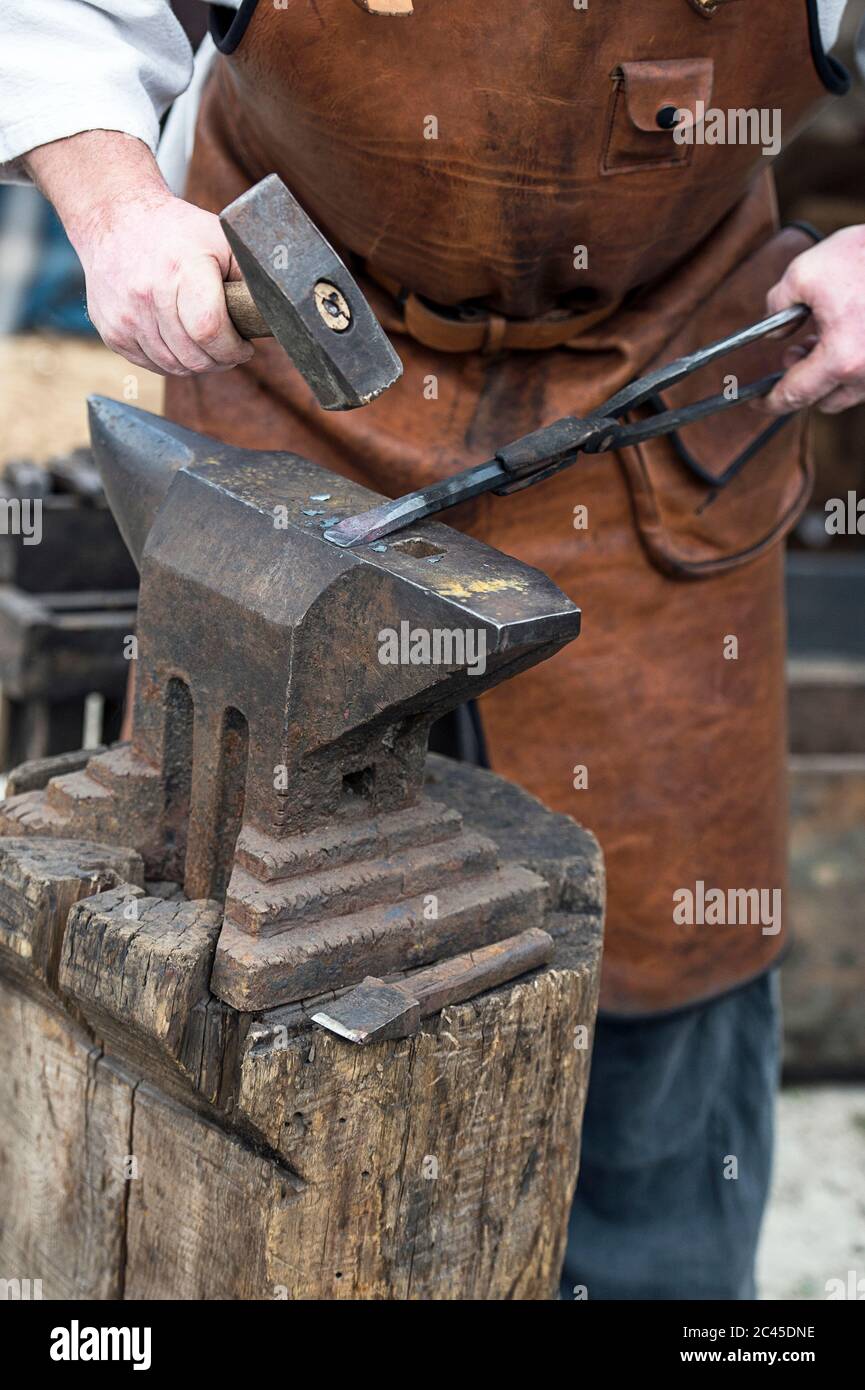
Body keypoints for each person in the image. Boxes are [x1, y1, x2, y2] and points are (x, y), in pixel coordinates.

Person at [3, 0, 864, 1299]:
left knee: (660, 979)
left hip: (657, 411)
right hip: (281, 367)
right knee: (228, 967)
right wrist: (114, 201)